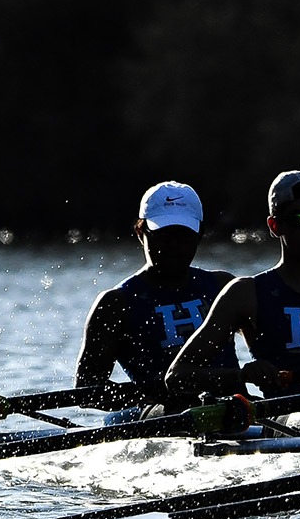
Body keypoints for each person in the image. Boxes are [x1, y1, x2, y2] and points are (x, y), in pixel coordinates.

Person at [165, 170, 300, 402]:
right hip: (285, 417)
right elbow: (177, 376)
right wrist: (242, 375)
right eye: (299, 220)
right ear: (274, 226)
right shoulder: (244, 294)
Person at [73, 181, 236, 423]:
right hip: (161, 416)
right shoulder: (115, 304)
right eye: (164, 235)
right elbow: (86, 392)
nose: (174, 245)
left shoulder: (224, 287)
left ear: (200, 234)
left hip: (232, 410)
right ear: (141, 232)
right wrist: (146, 393)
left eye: (184, 235)